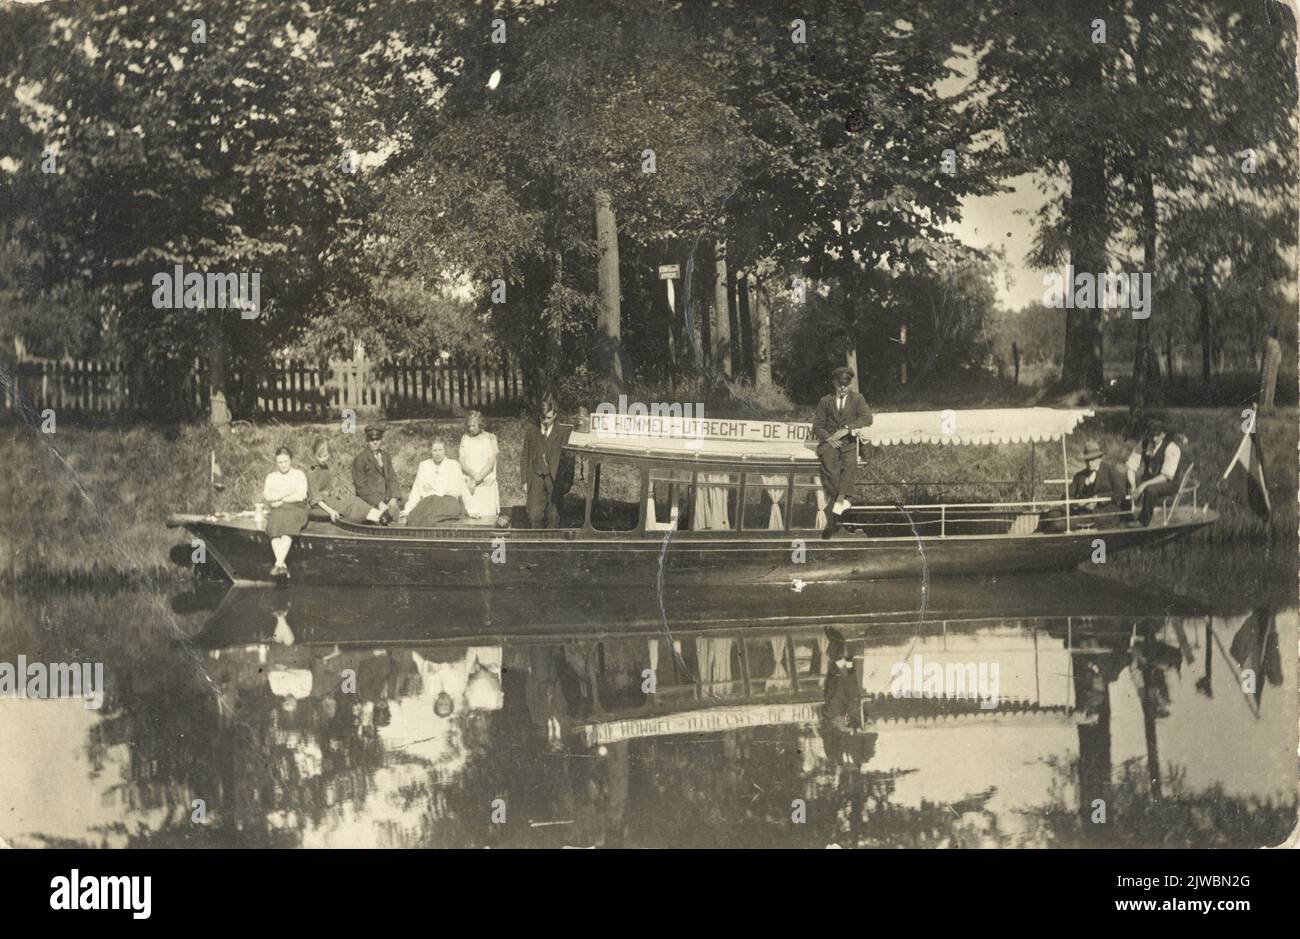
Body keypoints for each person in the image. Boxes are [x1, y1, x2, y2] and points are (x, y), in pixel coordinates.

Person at [812, 366, 874, 538]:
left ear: (850, 384)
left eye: (845, 385)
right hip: (831, 444)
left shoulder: (857, 398)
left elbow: (867, 418)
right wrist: (829, 438)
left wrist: (847, 429)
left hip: (848, 443)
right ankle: (842, 503)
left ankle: (836, 512)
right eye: (839, 385)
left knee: (849, 468)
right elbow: (817, 425)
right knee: (831, 471)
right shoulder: (825, 401)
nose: (842, 388)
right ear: (834, 383)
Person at [519, 393, 573, 528]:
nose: (546, 421)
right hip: (536, 476)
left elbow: (569, 460)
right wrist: (524, 480)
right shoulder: (531, 431)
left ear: (555, 415)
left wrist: (567, 483)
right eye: (543, 417)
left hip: (554, 479)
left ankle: (551, 545)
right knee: (534, 514)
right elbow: (524, 456)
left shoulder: (563, 433)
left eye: (549, 417)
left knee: (553, 515)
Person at [1122, 423, 1187, 525]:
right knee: (1127, 480)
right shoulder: (1143, 444)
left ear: (1163, 434)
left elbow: (1166, 476)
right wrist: (1133, 485)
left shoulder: (1172, 448)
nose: (1153, 438)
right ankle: (1126, 515)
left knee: (1150, 489)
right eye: (1151, 435)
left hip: (1169, 482)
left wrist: (1143, 485)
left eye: (1157, 435)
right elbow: (1131, 466)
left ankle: (1143, 521)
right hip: (1150, 478)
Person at [263, 446, 309, 577]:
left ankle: (277, 564)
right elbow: (267, 495)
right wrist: (288, 492)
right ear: (276, 462)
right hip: (278, 509)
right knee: (274, 529)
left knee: (288, 528)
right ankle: (282, 567)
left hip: (296, 508)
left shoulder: (299, 474)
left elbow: (301, 496)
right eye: (280, 462)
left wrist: (280, 498)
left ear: (291, 460)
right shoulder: (271, 477)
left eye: (285, 461)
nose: (283, 465)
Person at [401, 437, 465, 527]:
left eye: (440, 450)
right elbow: (416, 489)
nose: (437, 453)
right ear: (430, 451)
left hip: (449, 502)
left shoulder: (453, 464)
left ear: (445, 450)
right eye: (434, 450)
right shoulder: (424, 465)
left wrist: (471, 510)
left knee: (430, 519)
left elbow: (463, 488)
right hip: (429, 502)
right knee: (412, 518)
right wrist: (407, 510)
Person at [350, 424, 400, 524]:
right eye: (372, 439)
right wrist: (378, 503)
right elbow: (361, 488)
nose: (375, 442)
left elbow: (392, 477)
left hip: (388, 502)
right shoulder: (360, 460)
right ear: (367, 440)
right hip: (370, 504)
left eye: (378, 439)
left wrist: (394, 497)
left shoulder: (385, 456)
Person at [458, 410, 500, 519]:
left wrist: (478, 478)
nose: (471, 428)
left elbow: (491, 462)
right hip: (469, 484)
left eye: (474, 425)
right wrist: (473, 476)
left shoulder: (490, 437)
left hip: (485, 483)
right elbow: (462, 461)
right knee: (470, 517)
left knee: (487, 518)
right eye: (469, 426)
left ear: (480, 424)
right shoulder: (465, 438)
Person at [305, 438, 346, 523]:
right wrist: (330, 511)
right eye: (319, 456)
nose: (323, 459)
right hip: (317, 504)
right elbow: (315, 497)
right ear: (314, 455)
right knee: (351, 506)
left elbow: (329, 489)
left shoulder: (325, 468)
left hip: (327, 500)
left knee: (354, 501)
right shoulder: (311, 470)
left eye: (325, 456)